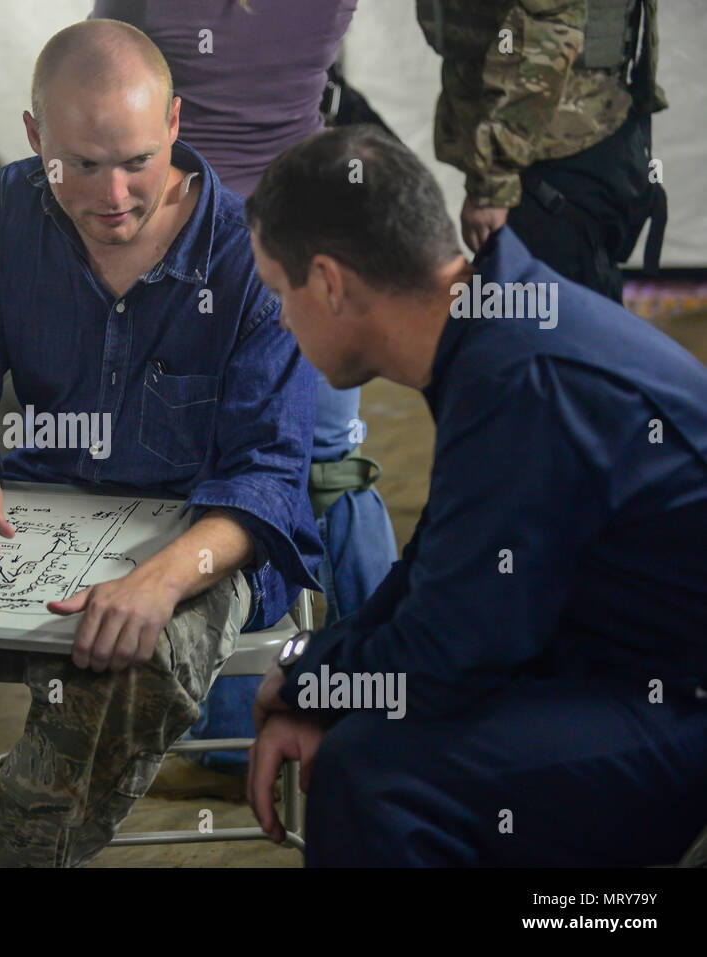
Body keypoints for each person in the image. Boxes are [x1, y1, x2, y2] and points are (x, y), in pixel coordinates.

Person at [0, 19, 322, 867]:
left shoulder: (249, 257)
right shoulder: (6, 208)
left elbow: (269, 483)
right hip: (31, 518)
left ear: (176, 124)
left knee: (130, 661)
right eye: (83, 165)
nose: (113, 196)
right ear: (36, 138)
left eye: (138, 161)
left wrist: (157, 582)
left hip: (197, 541)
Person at [244, 125, 707, 866]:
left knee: (372, 776)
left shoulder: (520, 377)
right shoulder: (497, 315)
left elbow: (453, 647)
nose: (279, 320)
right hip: (610, 651)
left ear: (330, 283)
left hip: (677, 700)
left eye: (277, 292)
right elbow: (440, 561)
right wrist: (318, 670)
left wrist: (314, 685)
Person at [91, 0, 399, 765]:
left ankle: (231, 730)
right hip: (306, 239)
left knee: (225, 481)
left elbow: (100, 77)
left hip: (186, 252)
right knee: (333, 472)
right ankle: (393, 694)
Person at [417, 0, 667, 301]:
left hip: (551, 155)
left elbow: (546, 32)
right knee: (558, 320)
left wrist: (494, 181)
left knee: (549, 325)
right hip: (561, 144)